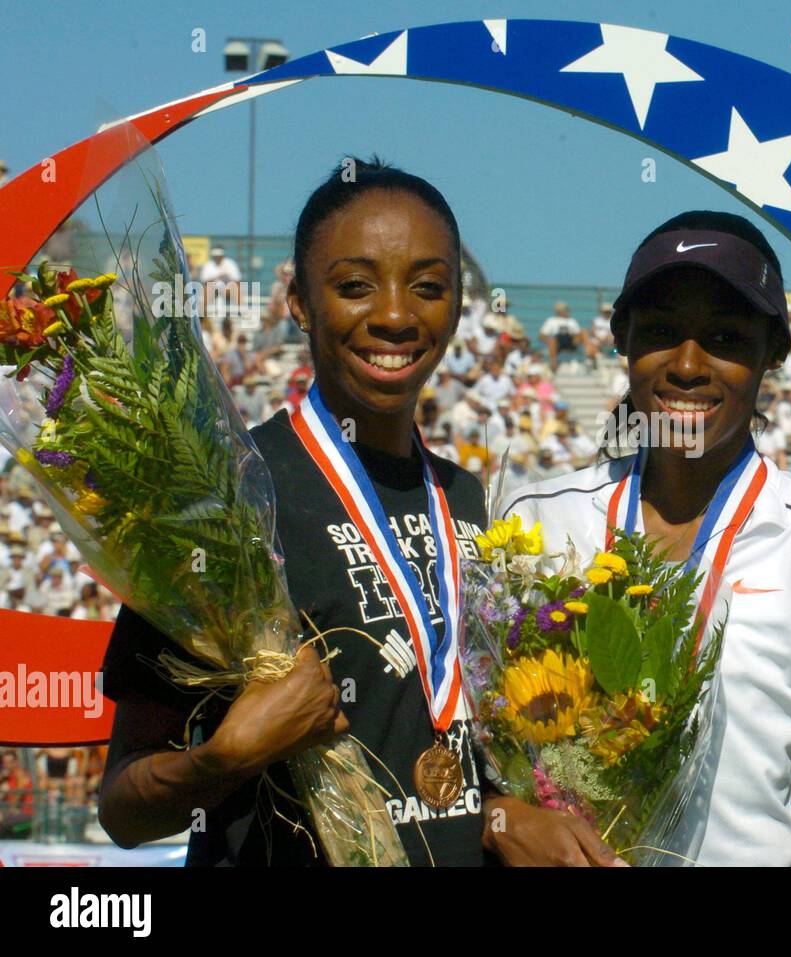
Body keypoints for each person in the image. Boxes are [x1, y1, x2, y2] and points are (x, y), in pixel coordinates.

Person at [97, 158, 603, 867]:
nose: (395, 314)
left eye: (427, 286)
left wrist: (498, 814)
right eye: (355, 285)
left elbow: (446, 742)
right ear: (299, 301)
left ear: (458, 303)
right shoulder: (221, 499)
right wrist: (222, 759)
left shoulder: (469, 501)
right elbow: (121, 806)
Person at [502, 211, 791, 866]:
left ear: (775, 352)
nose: (687, 365)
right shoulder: (537, 518)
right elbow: (483, 777)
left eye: (724, 337)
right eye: (660, 332)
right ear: (619, 339)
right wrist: (506, 819)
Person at [539, 301, 585, 372]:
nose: (567, 312)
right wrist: (549, 341)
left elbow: (578, 333)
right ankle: (553, 363)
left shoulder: (572, 321)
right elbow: (542, 335)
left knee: (584, 331)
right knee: (552, 341)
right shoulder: (551, 321)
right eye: (565, 310)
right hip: (557, 341)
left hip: (570, 340)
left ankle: (591, 353)